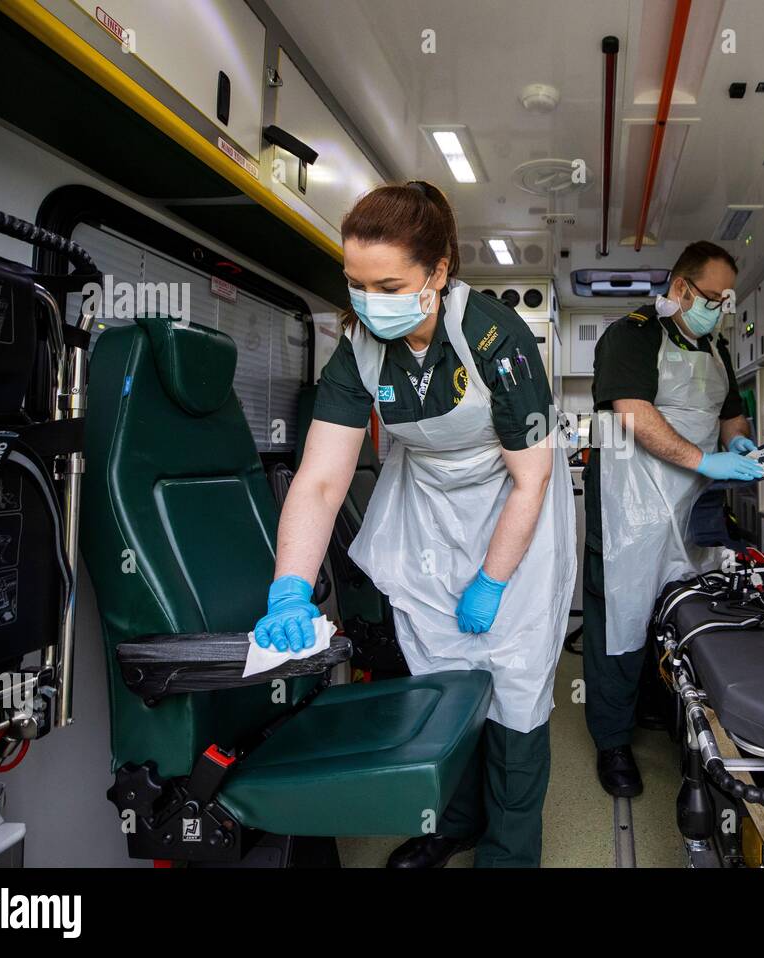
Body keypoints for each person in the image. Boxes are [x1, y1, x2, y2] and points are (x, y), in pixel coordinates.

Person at [253, 181, 575, 868]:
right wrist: (289, 585)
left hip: (515, 504)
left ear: (438, 271)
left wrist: (492, 579)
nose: (370, 303)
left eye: (389, 284)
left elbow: (533, 476)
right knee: (442, 672)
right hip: (428, 508)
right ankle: (451, 821)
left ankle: (509, 850)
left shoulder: (497, 336)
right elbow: (319, 478)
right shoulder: (359, 348)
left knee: (515, 685)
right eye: (355, 283)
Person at [582, 240, 764, 796]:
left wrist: (742, 446)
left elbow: (730, 416)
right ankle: (612, 740)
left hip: (692, 508)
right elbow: (634, 415)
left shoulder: (716, 349)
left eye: (725, 299)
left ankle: (657, 706)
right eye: (711, 296)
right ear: (681, 288)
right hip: (628, 506)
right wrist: (704, 458)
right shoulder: (631, 335)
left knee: (680, 611)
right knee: (621, 615)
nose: (718, 307)